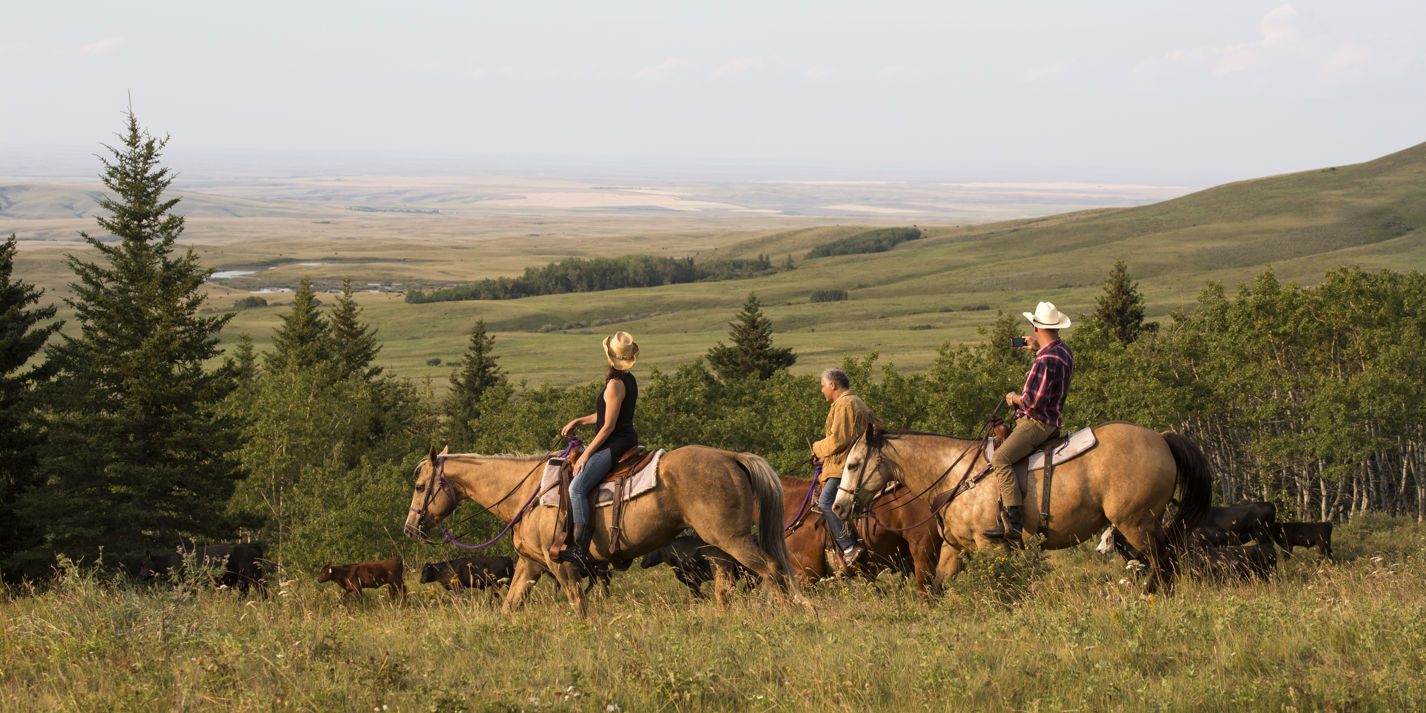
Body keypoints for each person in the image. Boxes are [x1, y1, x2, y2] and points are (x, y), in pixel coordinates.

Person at [985, 301, 1075, 541]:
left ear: (1036, 327)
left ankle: (1013, 522)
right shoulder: (1062, 350)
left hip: (1037, 423)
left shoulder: (1045, 360)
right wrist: (1038, 347)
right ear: (1056, 327)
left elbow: (1031, 402)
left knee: (1000, 459)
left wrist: (1013, 398)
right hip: (1051, 420)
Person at [558, 331, 640, 569]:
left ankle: (580, 549)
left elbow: (608, 427)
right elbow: (606, 414)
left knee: (576, 488)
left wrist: (586, 454)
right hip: (624, 438)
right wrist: (579, 421)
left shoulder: (615, 384)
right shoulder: (628, 379)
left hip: (614, 443)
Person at [812, 367, 877, 568]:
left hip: (845, 467)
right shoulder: (853, 402)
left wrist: (817, 448)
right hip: (847, 461)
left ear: (832, 385)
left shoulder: (845, 404)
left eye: (823, 386)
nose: (822, 390)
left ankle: (848, 547)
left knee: (826, 501)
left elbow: (839, 440)